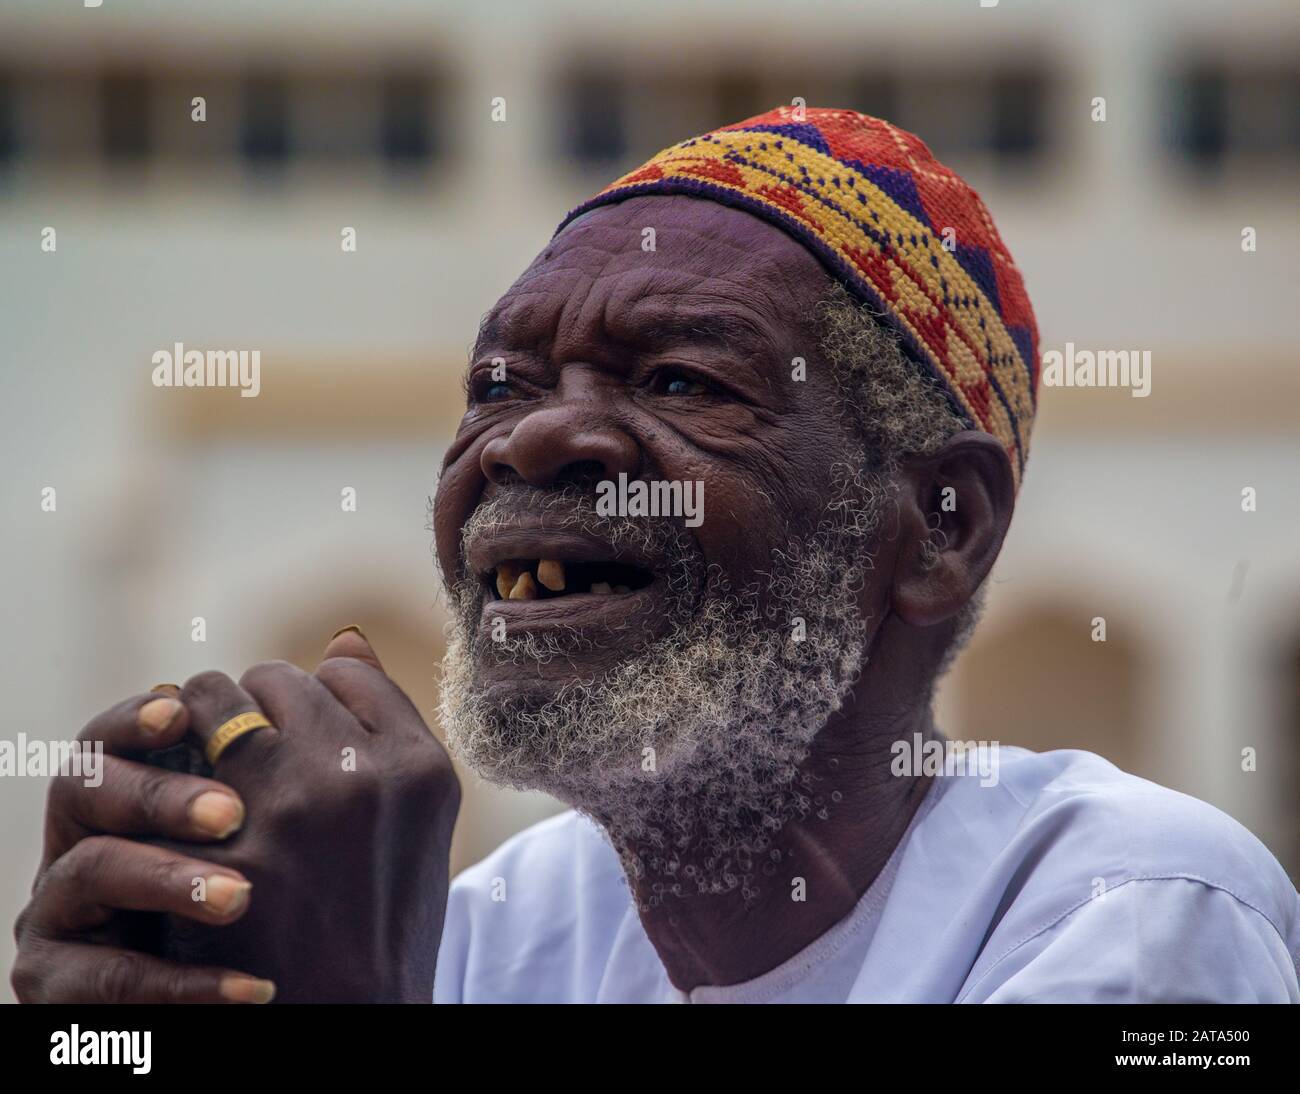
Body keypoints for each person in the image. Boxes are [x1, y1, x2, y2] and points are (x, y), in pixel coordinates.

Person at [13, 107, 1299, 1003]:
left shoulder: (1138, 913)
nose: (533, 441)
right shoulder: (491, 936)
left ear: (939, 528)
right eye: (499, 385)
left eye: (682, 379)